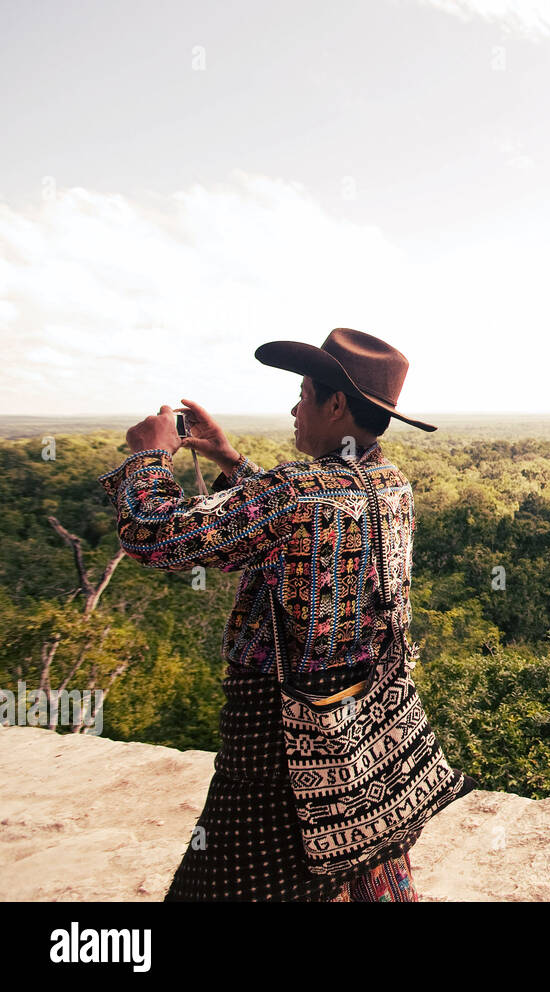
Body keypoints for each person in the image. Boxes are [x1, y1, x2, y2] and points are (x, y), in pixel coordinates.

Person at [96, 327, 474, 901]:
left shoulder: (296, 492)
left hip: (277, 732)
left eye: (303, 395)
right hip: (358, 722)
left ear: (337, 404)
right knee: (352, 858)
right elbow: (293, 527)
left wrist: (148, 455)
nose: (294, 408)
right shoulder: (389, 485)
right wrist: (227, 457)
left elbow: (155, 535)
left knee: (235, 884)